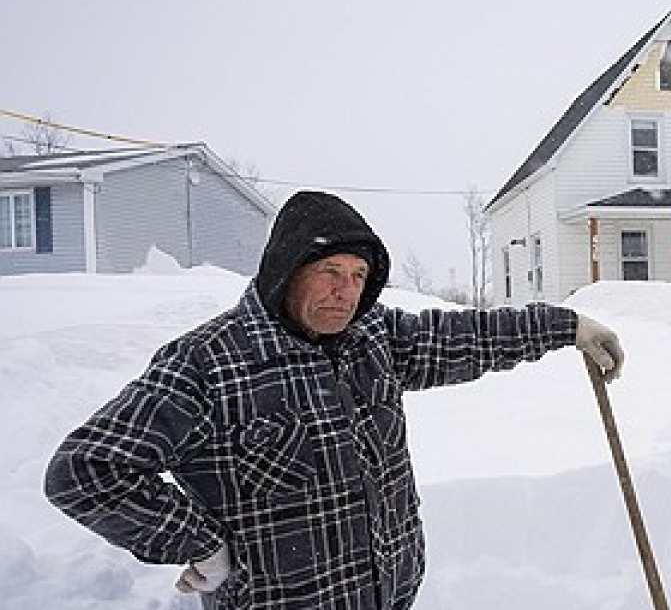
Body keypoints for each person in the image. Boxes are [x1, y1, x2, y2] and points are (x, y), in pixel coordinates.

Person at [44, 190, 625, 610]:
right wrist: (200, 543)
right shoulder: (208, 364)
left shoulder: (370, 341)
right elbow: (87, 471)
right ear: (285, 272)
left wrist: (564, 326)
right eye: (328, 271)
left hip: (389, 595)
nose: (344, 292)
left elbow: (462, 337)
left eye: (356, 275)